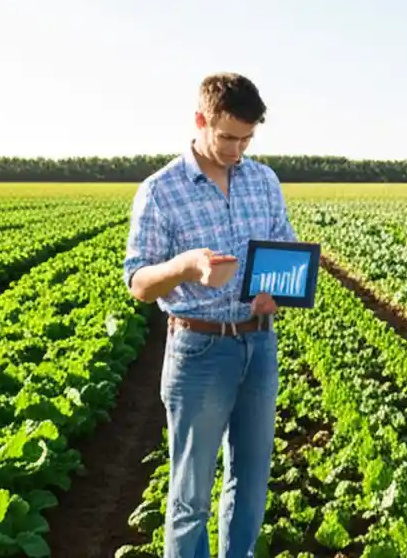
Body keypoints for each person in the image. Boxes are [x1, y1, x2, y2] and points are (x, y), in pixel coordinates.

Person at [123, 72, 296, 558]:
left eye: (247, 138)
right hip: (199, 349)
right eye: (227, 137)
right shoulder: (161, 191)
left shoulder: (262, 180)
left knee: (251, 484)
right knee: (190, 494)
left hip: (258, 344)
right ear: (201, 120)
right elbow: (138, 281)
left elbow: (282, 246)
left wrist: (274, 292)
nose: (238, 150)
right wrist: (186, 267)